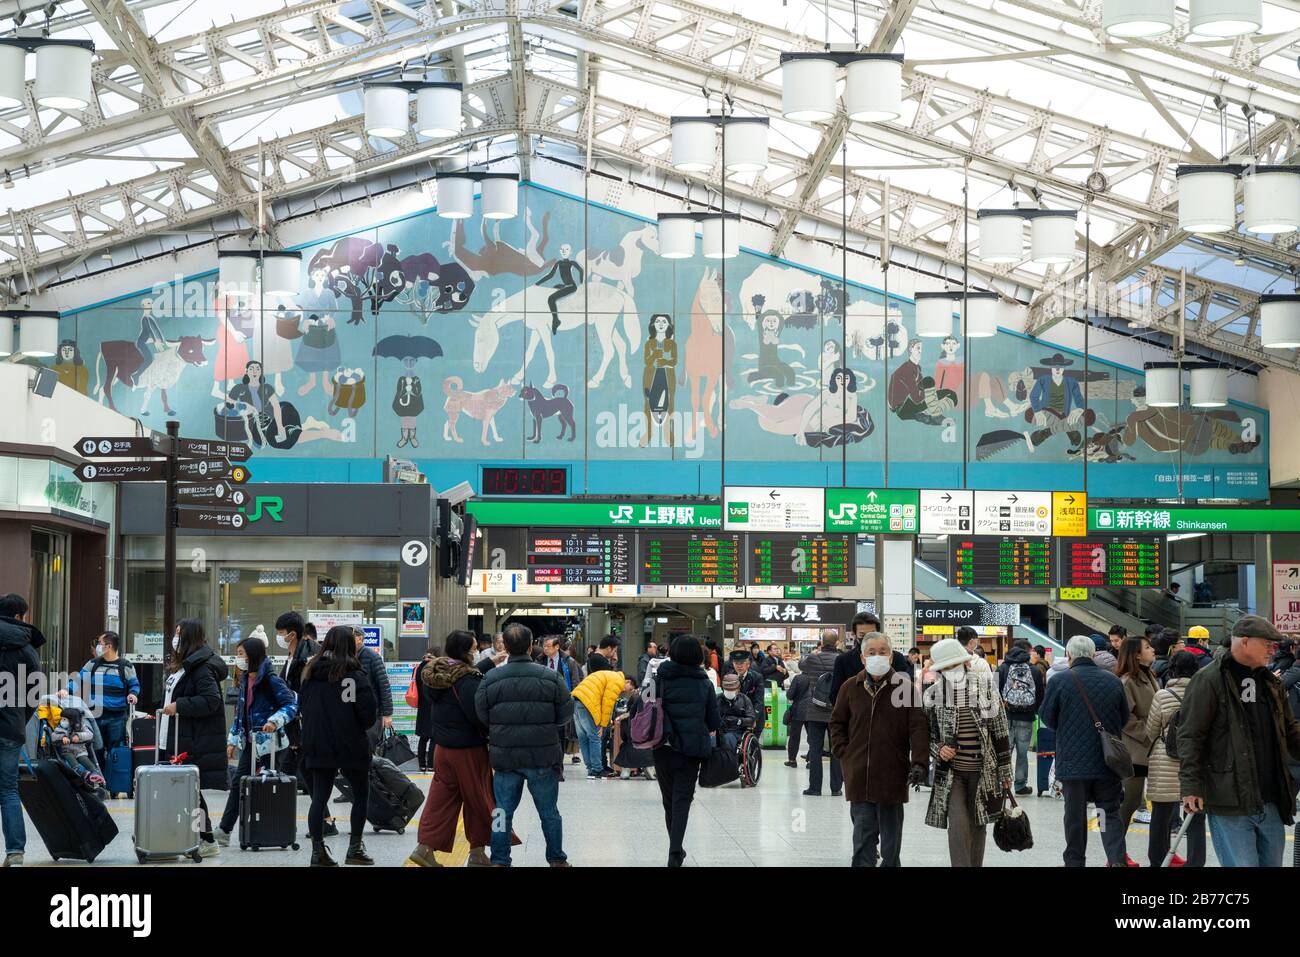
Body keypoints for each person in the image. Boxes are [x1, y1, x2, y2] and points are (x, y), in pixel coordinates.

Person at [1178, 615, 1300, 867]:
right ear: (1245, 642)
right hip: (1229, 799)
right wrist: (1190, 785)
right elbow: (1191, 734)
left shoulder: (1271, 682)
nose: (1272, 650)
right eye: (1268, 644)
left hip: (1271, 798)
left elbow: (1289, 730)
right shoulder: (1209, 679)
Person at [475, 623, 572, 867]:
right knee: (549, 812)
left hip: (505, 758)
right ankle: (557, 859)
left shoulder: (491, 678)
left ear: (505, 647)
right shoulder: (551, 677)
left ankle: (499, 860)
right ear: (531, 646)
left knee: (501, 812)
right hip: (543, 757)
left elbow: (482, 715)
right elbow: (564, 715)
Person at [830, 633, 929, 867]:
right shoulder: (850, 687)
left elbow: (918, 728)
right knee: (863, 840)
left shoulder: (904, 688)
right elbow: (837, 722)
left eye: (883, 651)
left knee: (891, 844)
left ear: (892, 656)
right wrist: (843, 752)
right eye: (871, 652)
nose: (877, 656)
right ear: (863, 658)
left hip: (892, 777)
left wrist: (919, 763)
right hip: (859, 775)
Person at [1039, 635, 1130, 867]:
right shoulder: (1112, 681)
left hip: (1073, 764)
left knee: (1076, 815)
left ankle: (1075, 861)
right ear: (1092, 654)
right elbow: (1123, 718)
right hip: (1106, 762)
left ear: (1069, 656)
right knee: (1108, 812)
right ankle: (1116, 859)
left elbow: (1048, 718)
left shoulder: (1060, 681)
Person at [408, 630, 496, 867]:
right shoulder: (469, 680)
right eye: (475, 647)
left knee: (440, 800)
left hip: (443, 749)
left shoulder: (434, 674)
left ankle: (424, 847)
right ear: (467, 651)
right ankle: (478, 853)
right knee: (479, 799)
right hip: (468, 750)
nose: (477, 650)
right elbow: (477, 715)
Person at [925, 637, 1012, 867]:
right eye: (945, 667)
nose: (951, 670)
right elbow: (927, 735)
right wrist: (938, 749)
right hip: (952, 774)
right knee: (958, 826)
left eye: (954, 665)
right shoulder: (933, 695)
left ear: (965, 663)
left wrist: (1005, 772)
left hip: (983, 771)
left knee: (978, 824)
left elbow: (1001, 733)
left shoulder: (985, 689)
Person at [298, 625, 379, 867]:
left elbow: (303, 707)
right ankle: (354, 849)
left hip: (317, 743)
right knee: (361, 795)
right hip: (350, 743)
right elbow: (367, 716)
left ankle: (317, 853)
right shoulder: (354, 675)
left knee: (319, 798)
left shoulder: (310, 674)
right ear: (349, 645)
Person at [216, 633, 299, 844]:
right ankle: (225, 831)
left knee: (270, 787)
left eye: (241, 654)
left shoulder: (271, 680)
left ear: (252, 655)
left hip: (273, 746)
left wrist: (273, 721)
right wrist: (232, 740)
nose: (238, 658)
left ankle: (278, 829)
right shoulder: (246, 680)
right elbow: (240, 714)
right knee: (238, 784)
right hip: (252, 744)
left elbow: (291, 705)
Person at [160, 619, 229, 858]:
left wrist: (179, 705)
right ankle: (194, 836)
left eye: (179, 634)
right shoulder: (183, 665)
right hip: (175, 737)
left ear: (188, 637)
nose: (175, 638)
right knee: (186, 793)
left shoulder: (200, 667)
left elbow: (211, 701)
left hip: (192, 741)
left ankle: (207, 838)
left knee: (191, 793)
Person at [651, 636, 720, 867]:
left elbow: (645, 709)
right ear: (698, 656)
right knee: (682, 801)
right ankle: (674, 853)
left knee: (668, 801)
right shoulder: (705, 683)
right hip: (691, 751)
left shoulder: (659, 679)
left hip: (663, 747)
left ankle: (676, 849)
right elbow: (713, 722)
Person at [1145, 651, 1205, 867]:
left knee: (1160, 815)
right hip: (1195, 759)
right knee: (1195, 814)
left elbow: (1151, 731)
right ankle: (1196, 862)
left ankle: (1157, 860)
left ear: (1172, 669)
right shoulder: (1203, 693)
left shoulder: (1162, 695)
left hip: (1165, 760)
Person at [0, 594, 40, 866]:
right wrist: (18, 720)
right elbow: (33, 695)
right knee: (9, 790)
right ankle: (15, 853)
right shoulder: (27, 649)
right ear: (18, 617)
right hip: (10, 728)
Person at [1116, 634, 1159, 857]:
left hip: (1153, 748)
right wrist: (1149, 732)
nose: (1152, 650)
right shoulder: (1127, 681)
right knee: (1130, 802)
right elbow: (1126, 719)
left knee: (1162, 802)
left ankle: (1161, 851)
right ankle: (1116, 854)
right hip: (1137, 750)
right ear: (1136, 654)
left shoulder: (1149, 675)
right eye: (1148, 647)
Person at [71, 631, 139, 767]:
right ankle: (98, 783)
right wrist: (66, 690)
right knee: (95, 751)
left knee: (115, 753)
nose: (97, 647)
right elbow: (78, 680)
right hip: (94, 716)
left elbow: (134, 684)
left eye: (100, 644)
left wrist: (133, 694)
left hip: (117, 717)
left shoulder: (125, 666)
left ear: (108, 646)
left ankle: (114, 784)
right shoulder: (92, 664)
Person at [829, 612, 913, 705]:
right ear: (854, 634)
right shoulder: (844, 660)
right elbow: (835, 696)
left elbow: (906, 694)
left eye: (872, 634)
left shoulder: (896, 658)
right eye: (862, 635)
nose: (867, 639)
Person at [997, 638, 1045, 796]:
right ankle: (1020, 786)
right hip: (1026, 717)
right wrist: (1034, 710)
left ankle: (1002, 784)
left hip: (1005, 716)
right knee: (1023, 754)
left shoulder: (1002, 668)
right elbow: (1039, 695)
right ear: (1027, 651)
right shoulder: (1034, 670)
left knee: (1005, 753)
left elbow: (994, 691)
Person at [799, 632, 843, 796]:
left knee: (815, 750)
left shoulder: (812, 659)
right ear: (837, 643)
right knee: (836, 750)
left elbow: (801, 665)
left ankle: (815, 788)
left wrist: (814, 653)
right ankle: (836, 788)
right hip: (836, 711)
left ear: (821, 642)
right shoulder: (841, 659)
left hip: (815, 710)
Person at [571, 666, 626, 778]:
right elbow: (607, 703)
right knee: (595, 736)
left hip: (575, 699)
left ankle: (591, 769)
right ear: (628, 681)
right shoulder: (618, 681)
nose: (624, 691)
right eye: (629, 688)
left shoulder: (608, 675)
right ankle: (596, 769)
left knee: (583, 738)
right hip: (586, 702)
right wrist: (603, 725)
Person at [354, 628, 393, 747]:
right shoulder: (349, 657)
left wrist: (387, 714)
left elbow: (384, 686)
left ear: (360, 638)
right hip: (354, 711)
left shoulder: (372, 657)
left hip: (372, 712)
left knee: (370, 746)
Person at [610, 677, 653, 779]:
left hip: (632, 728)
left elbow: (632, 711)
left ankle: (626, 770)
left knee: (628, 746)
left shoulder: (635, 696)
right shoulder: (639, 695)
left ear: (632, 684)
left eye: (626, 682)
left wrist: (620, 717)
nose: (624, 684)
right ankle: (648, 767)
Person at [413, 642, 438, 772]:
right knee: (434, 737)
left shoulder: (418, 668)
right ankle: (432, 765)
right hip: (434, 705)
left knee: (423, 738)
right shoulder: (436, 668)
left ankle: (422, 764)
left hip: (422, 706)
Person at [719, 674, 756, 752]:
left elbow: (751, 719)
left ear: (738, 689)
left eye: (732, 690)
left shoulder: (745, 700)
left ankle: (728, 760)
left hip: (737, 731)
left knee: (728, 738)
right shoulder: (718, 700)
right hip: (720, 730)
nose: (729, 692)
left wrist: (738, 721)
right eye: (727, 690)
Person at [730, 650, 766, 717]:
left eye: (742, 663)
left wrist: (752, 718)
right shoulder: (729, 677)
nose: (739, 666)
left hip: (753, 714)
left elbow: (759, 701)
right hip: (736, 717)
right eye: (736, 663)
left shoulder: (757, 677)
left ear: (748, 664)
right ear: (733, 664)